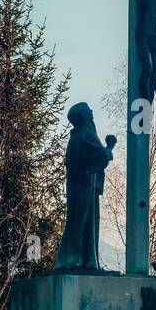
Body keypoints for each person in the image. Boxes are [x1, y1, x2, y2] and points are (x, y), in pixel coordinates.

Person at [55, 103, 116, 271]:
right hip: (84, 186)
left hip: (80, 186)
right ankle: (77, 260)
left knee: (78, 222)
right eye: (89, 109)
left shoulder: (76, 136)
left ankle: (77, 260)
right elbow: (101, 157)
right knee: (83, 222)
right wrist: (110, 145)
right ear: (83, 115)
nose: (92, 111)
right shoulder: (86, 134)